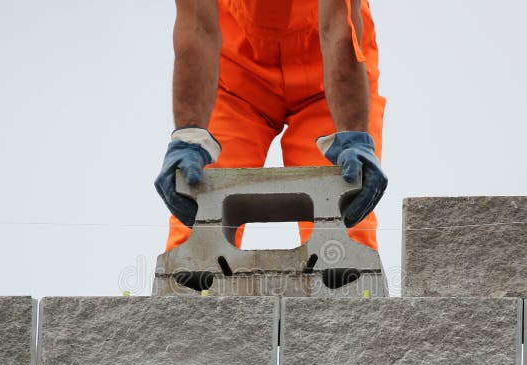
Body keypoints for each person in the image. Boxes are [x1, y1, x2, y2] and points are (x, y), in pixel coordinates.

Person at [155, 0, 388, 251]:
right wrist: (190, 134)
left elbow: (337, 27)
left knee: (344, 226)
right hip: (236, 75)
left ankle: (348, 288)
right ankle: (190, 289)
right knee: (197, 225)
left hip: (329, 76)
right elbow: (197, 27)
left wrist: (351, 134)